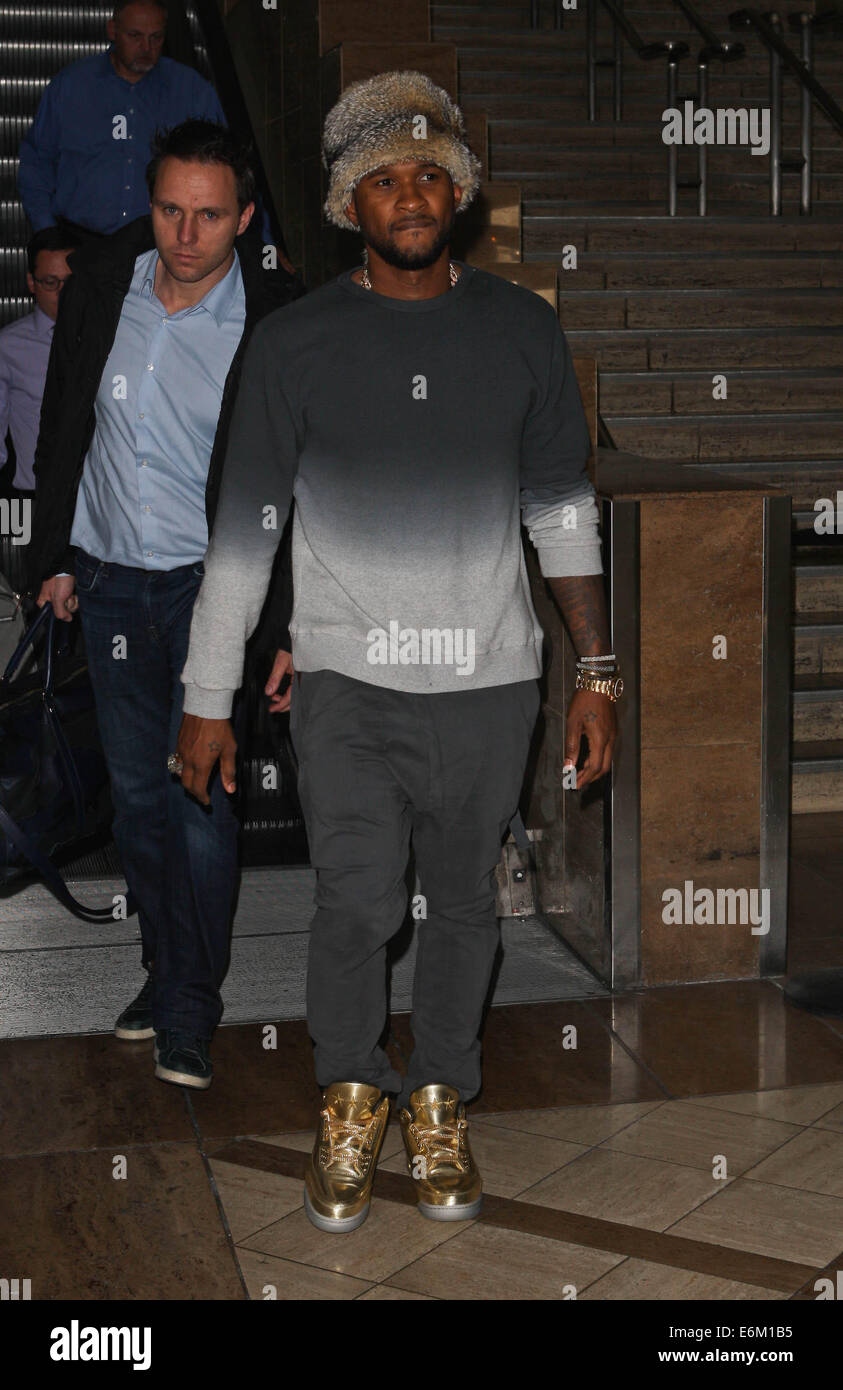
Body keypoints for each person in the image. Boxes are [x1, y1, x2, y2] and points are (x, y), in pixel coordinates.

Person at [174, 71, 620, 1231]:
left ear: (459, 192)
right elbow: (244, 537)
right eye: (384, 178)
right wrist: (206, 695)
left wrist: (600, 672)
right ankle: (349, 1097)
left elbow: (564, 510)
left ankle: (440, 1102)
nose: (410, 194)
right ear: (347, 202)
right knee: (357, 902)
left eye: (430, 172)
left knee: (466, 904)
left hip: (491, 685)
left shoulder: (525, 329)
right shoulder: (296, 343)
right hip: (346, 685)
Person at [26, 120, 303, 1090]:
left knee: (199, 801)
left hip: (209, 590)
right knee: (138, 804)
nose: (185, 233)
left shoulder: (273, 319)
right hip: (106, 581)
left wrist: (288, 623)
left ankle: (190, 1003)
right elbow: (67, 422)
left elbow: (302, 479)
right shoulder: (105, 287)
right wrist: (53, 554)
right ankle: (164, 969)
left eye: (209, 215)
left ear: (245, 217)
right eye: (169, 210)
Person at [18, 1, 225, 239]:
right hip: (80, 242)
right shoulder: (71, 86)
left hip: (163, 244)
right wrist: (46, 232)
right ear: (112, 30)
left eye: (156, 38)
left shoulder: (191, 90)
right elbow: (37, 162)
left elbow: (226, 167)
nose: (146, 47)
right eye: (135, 36)